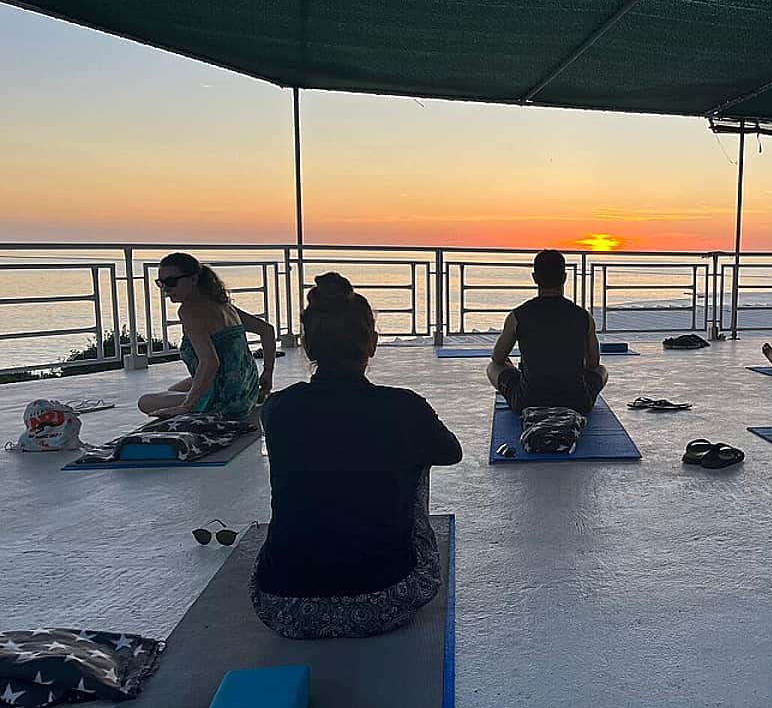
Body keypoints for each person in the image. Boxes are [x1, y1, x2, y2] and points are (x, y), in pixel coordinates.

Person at [250, 272, 462, 640]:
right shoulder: (403, 407)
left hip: (283, 604)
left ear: (308, 345)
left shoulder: (277, 408)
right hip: (385, 599)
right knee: (416, 452)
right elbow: (450, 452)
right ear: (372, 345)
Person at [137, 252, 274, 420]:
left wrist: (186, 406)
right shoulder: (223, 305)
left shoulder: (189, 311)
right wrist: (267, 373)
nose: (166, 288)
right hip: (248, 391)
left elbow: (210, 362)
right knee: (172, 390)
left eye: (172, 282)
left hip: (227, 400)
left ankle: (200, 404)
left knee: (145, 401)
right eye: (161, 283)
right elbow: (267, 331)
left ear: (194, 279)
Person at [487, 249, 607, 414]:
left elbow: (497, 358)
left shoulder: (517, 316)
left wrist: (516, 369)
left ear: (535, 278)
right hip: (577, 402)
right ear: (564, 277)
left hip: (528, 401)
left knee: (493, 367)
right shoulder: (583, 317)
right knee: (602, 370)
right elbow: (593, 364)